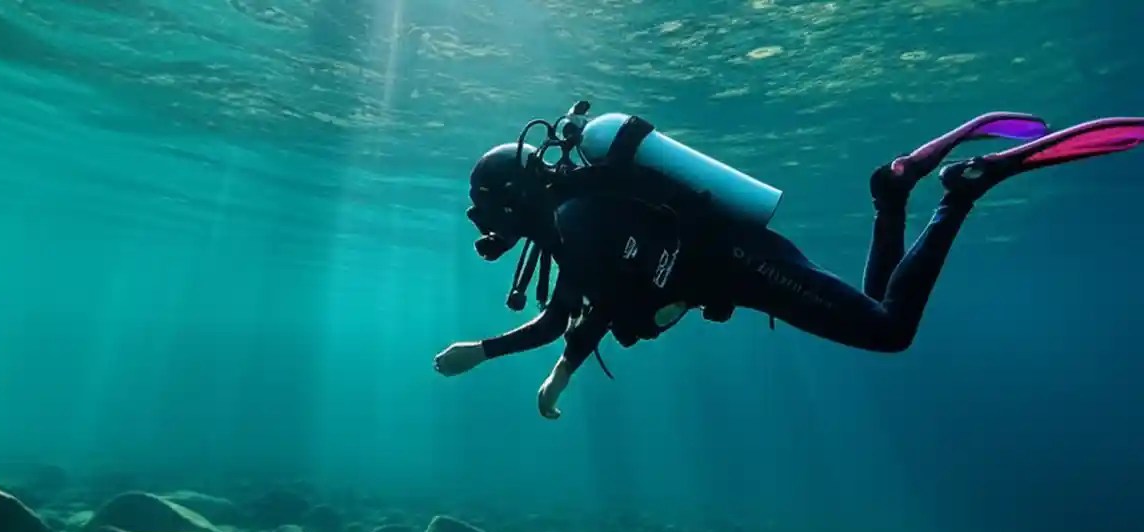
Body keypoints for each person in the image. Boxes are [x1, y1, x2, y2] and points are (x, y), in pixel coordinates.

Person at [433, 108, 1144, 419]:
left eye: (488, 208)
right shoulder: (577, 217)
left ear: (513, 198)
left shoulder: (575, 219)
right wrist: (558, 374)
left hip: (746, 266)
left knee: (890, 329)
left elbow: (567, 313)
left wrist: (486, 352)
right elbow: (590, 307)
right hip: (744, 266)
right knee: (873, 303)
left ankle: (962, 189)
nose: (488, 224)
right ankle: (892, 191)